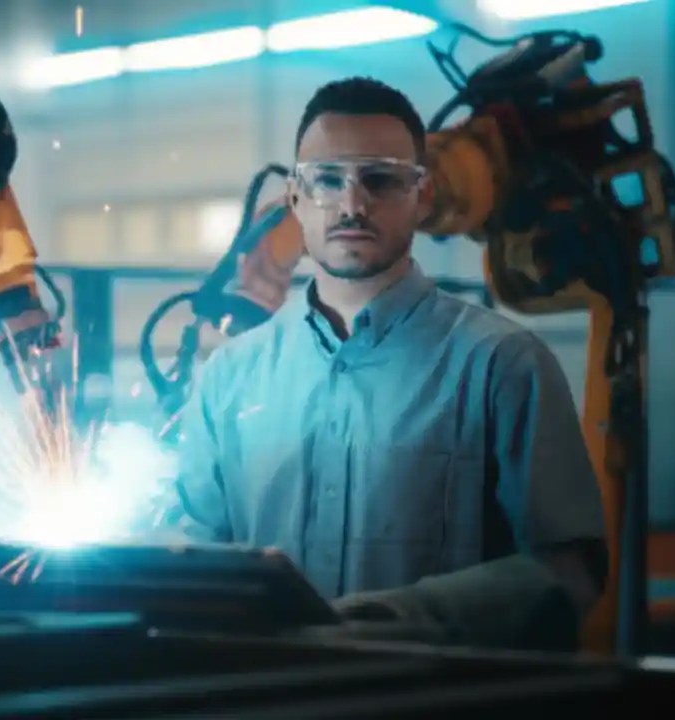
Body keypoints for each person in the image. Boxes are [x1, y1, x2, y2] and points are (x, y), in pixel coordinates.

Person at [168, 77, 607, 650]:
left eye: (380, 179)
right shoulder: (229, 378)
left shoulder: (500, 366)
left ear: (422, 197)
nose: (353, 204)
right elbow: (192, 556)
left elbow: (570, 571)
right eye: (328, 180)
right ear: (295, 200)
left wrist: (400, 620)